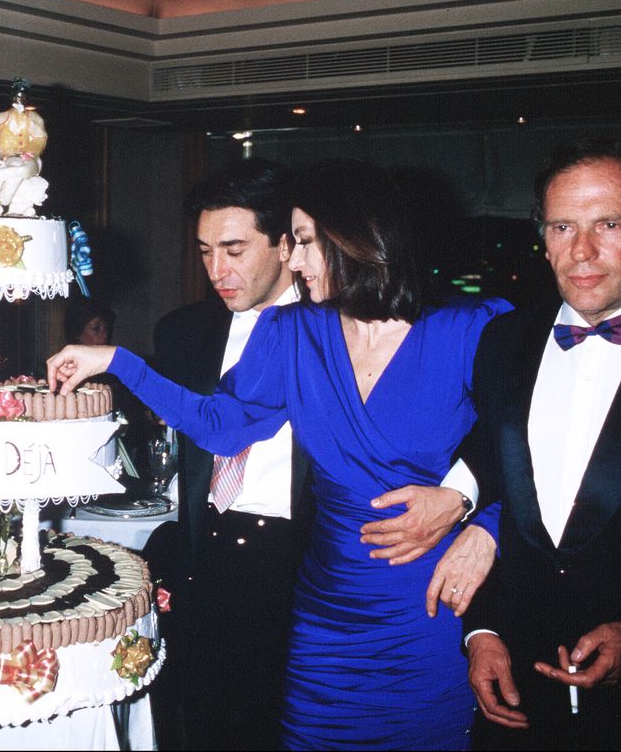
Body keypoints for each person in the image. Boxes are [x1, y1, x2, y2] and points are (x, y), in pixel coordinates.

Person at [48, 159, 511, 750]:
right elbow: (221, 428)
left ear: (359, 238)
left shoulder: (473, 328)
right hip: (325, 616)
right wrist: (118, 362)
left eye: (307, 242)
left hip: (429, 609)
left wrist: (483, 521)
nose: (293, 260)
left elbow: (527, 455)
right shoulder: (293, 332)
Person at [461, 138, 621, 751]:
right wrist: (484, 630)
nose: (582, 251)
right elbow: (508, 499)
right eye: (562, 226)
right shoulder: (502, 342)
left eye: (609, 223)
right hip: (516, 701)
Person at [144, 159, 312, 750]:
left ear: (287, 245)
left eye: (235, 249)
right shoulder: (181, 334)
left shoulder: (333, 328)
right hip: (208, 551)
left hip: (302, 558)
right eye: (206, 250)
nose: (218, 270)